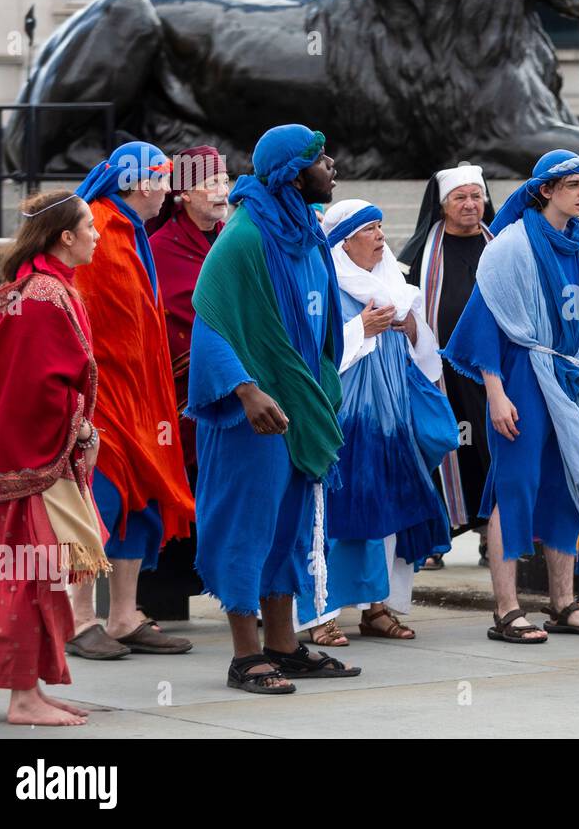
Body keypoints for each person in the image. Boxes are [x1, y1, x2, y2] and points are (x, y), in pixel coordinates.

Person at [189, 124, 361, 693]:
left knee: (287, 530)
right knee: (248, 527)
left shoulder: (306, 232)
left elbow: (324, 325)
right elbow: (210, 319)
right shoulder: (243, 237)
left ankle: (284, 646)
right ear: (292, 174)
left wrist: (323, 389)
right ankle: (245, 656)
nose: (331, 165)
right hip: (253, 418)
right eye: (319, 158)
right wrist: (245, 389)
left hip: (298, 409)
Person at [442, 150, 579, 643]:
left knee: (566, 489)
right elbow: (484, 323)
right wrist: (495, 394)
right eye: (573, 184)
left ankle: (563, 604)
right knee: (514, 488)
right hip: (522, 374)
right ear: (546, 190)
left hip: (571, 379)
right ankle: (507, 609)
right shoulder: (510, 246)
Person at [0, 191, 111, 725]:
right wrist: (82, 428)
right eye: (89, 226)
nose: (97, 235)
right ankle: (22, 699)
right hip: (31, 464)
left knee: (45, 573)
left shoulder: (48, 289)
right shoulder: (44, 294)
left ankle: (32, 689)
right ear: (64, 237)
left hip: (37, 457)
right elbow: (31, 386)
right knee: (29, 574)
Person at [292, 199, 456, 646]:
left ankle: (378, 607)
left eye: (382, 226)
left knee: (387, 514)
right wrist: (359, 329)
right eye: (370, 229)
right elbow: (311, 355)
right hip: (341, 420)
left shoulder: (396, 284)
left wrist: (411, 329)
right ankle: (318, 613)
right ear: (345, 242)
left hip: (390, 420)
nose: (381, 236)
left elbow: (428, 357)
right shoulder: (323, 284)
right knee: (333, 519)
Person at [68, 141, 195, 658]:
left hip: (139, 399)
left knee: (136, 506)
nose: (168, 189)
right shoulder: (97, 226)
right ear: (143, 183)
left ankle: (122, 616)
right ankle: (78, 620)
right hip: (104, 400)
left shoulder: (129, 229)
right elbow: (87, 319)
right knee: (98, 505)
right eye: (164, 178)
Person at [398, 164, 496, 568]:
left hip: (489, 372)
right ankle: (437, 537)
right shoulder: (417, 255)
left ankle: (493, 533)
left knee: (489, 450)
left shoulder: (500, 244)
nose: (471, 205)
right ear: (442, 206)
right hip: (435, 374)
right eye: (461, 197)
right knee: (438, 448)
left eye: (476, 196)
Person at [150, 145, 229, 477]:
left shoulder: (231, 240)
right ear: (184, 194)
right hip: (181, 397)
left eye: (226, 180)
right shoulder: (159, 249)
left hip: (239, 388)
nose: (223, 192)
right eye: (211, 182)